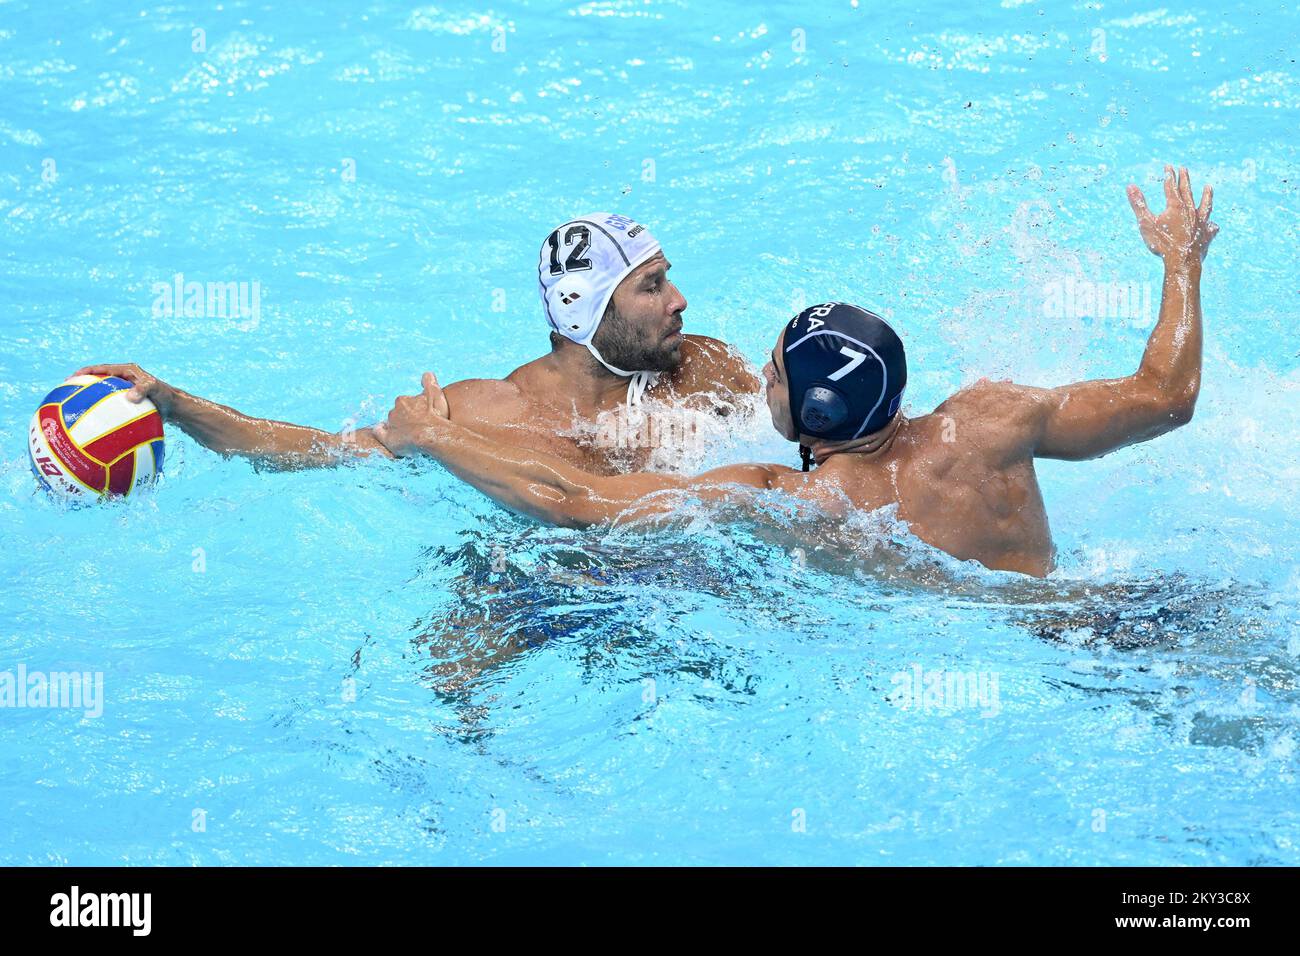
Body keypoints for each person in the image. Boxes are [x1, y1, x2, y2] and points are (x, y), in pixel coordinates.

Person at [373, 166, 1217, 577]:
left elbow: (567, 502)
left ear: (806, 412)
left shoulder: (808, 501)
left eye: (771, 375)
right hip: (1111, 616)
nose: (754, 379)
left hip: (1032, 665)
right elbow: (1167, 397)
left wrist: (436, 438)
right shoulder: (989, 420)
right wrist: (1181, 261)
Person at [74, 213, 757, 473]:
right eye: (654, 286)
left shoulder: (708, 369)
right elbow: (319, 452)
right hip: (552, 572)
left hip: (672, 566)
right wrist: (175, 404)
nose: (679, 301)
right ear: (587, 310)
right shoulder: (479, 412)